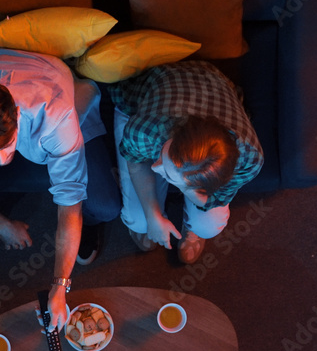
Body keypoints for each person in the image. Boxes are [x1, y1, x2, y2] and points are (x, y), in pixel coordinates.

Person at [0, 39, 120, 331]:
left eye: (5, 146)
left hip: (53, 85)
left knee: (105, 206)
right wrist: (0, 223)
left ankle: (90, 225)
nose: (1, 160)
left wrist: (60, 285)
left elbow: (68, 205)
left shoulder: (55, 114)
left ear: (16, 116)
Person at [110, 61, 264, 264]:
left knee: (209, 227)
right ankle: (151, 215)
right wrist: (152, 214)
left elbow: (216, 197)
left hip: (210, 85)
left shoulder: (250, 160)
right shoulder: (144, 131)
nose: (155, 167)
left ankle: (192, 227)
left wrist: (190, 189)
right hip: (148, 94)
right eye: (164, 158)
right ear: (177, 134)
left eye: (167, 173)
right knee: (139, 221)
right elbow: (138, 163)